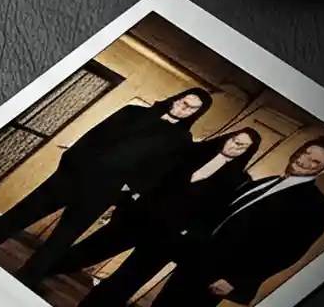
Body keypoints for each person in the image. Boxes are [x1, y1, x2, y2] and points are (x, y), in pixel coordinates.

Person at [0, 88, 214, 288]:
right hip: (72, 176)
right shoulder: (133, 112)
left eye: (192, 107)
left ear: (196, 114)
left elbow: (158, 173)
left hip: (105, 190)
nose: (184, 107)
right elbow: (93, 136)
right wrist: (71, 162)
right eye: (184, 101)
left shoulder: (181, 141)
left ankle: (27, 278)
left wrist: (124, 191)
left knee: (63, 237)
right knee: (23, 213)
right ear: (176, 98)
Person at [54, 128, 262, 306]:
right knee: (86, 252)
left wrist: (186, 234)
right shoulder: (193, 151)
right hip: (138, 218)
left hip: (168, 239)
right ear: (229, 137)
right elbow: (156, 175)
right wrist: (130, 201)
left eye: (242, 147)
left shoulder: (238, 180)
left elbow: (214, 214)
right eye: (235, 140)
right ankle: (33, 274)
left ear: (247, 152)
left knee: (125, 282)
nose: (234, 146)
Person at [151, 136, 324, 307]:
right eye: (305, 153)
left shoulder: (317, 206)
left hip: (219, 277)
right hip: (194, 261)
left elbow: (287, 252)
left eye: (315, 161)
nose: (303, 161)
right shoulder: (267, 181)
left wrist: (236, 280)